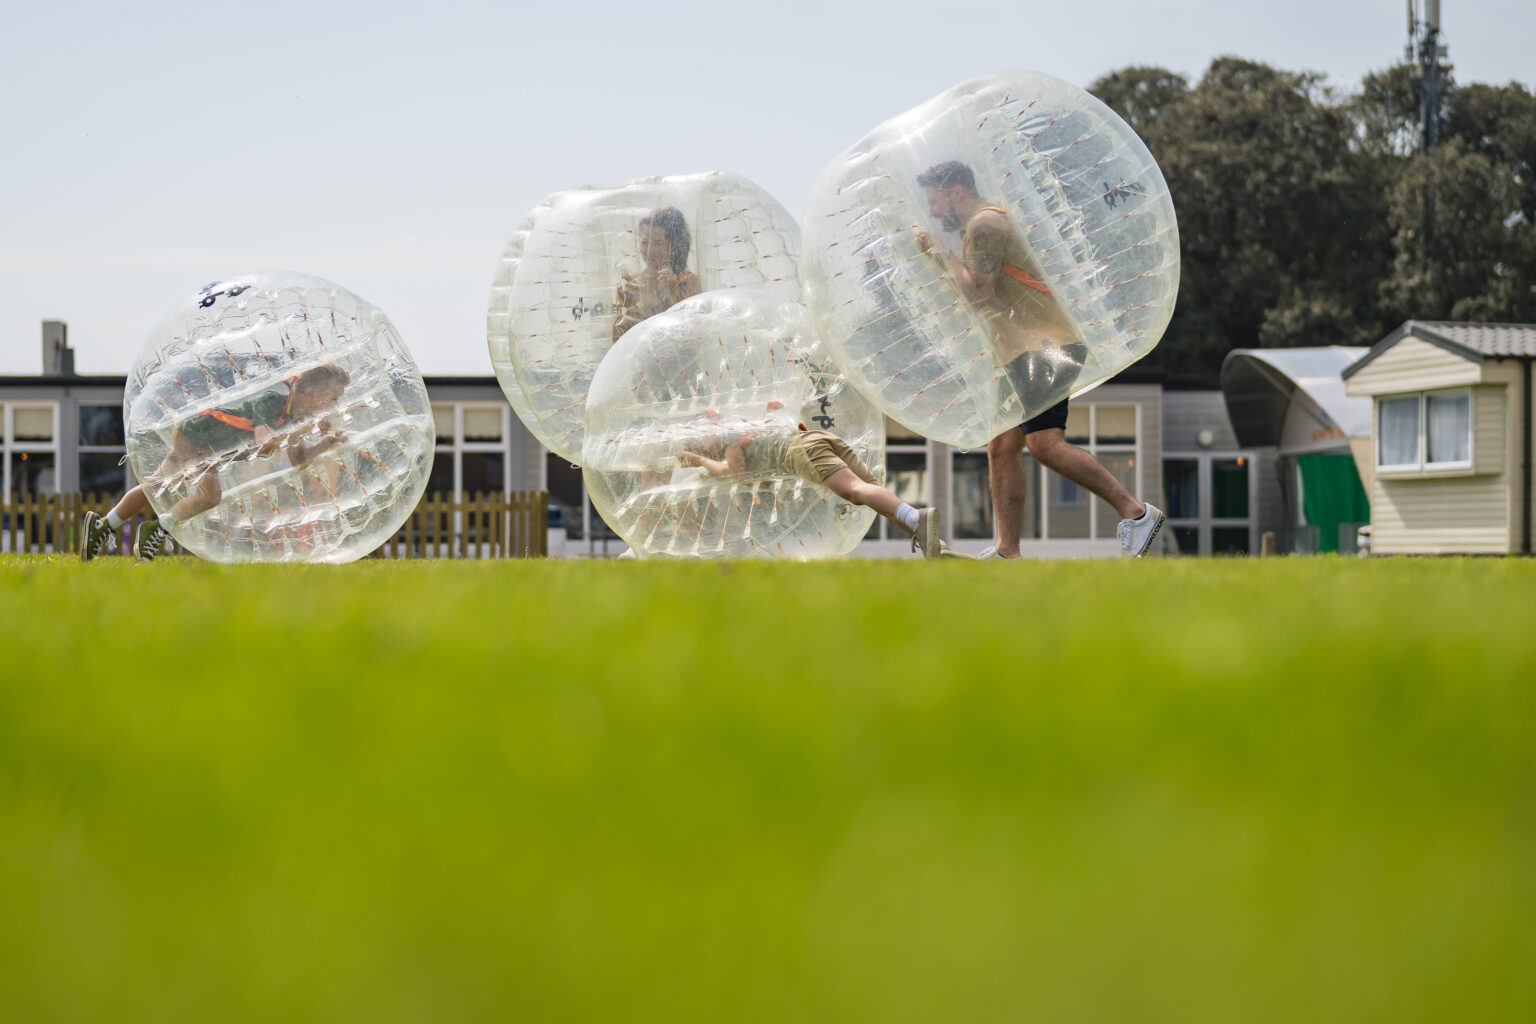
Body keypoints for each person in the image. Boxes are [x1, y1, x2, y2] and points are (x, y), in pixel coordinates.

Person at [913, 160, 1164, 558]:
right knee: (1001, 446)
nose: (931, 212)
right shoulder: (976, 226)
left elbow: (977, 293)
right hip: (1020, 349)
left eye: (934, 201)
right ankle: (1007, 550)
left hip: (1044, 347)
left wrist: (936, 251)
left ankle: (1136, 513)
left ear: (956, 192)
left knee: (1045, 445)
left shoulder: (984, 225)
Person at [81, 362, 351, 562]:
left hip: (209, 444)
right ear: (311, 394)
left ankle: (108, 526)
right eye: (333, 398)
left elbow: (299, 460)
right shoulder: (274, 402)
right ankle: (148, 529)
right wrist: (308, 429)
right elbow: (265, 447)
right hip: (199, 431)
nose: (335, 406)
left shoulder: (295, 419)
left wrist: (327, 443)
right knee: (195, 492)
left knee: (162, 487)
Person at [674, 402, 942, 558]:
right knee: (871, 491)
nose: (701, 448)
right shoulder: (743, 430)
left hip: (801, 451)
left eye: (697, 442)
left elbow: (735, 473)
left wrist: (697, 461)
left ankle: (918, 519)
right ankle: (933, 541)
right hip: (817, 438)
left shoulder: (728, 437)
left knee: (854, 491)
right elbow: (756, 480)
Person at [612, 207, 702, 341]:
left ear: (672, 246)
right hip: (642, 358)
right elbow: (617, 339)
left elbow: (697, 329)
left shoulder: (687, 281)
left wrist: (673, 291)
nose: (649, 250)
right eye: (644, 242)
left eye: (658, 243)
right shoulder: (630, 287)